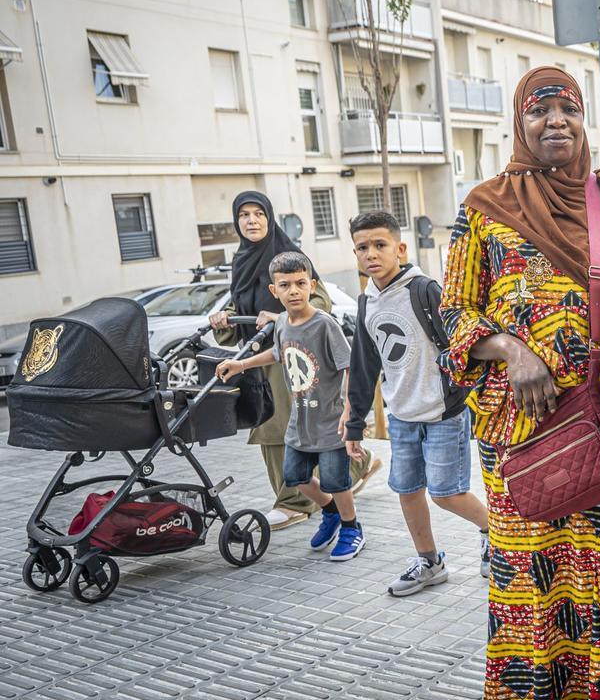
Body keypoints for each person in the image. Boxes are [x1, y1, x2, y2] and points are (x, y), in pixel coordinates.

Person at [438, 67, 600, 699]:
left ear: (583, 123)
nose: (555, 121)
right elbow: (451, 312)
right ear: (518, 124)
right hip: (529, 435)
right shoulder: (485, 208)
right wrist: (512, 349)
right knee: (533, 585)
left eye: (568, 110)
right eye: (539, 111)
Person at [340, 210, 491, 596]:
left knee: (446, 493)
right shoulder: (366, 301)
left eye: (380, 244)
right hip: (402, 416)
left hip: (443, 412)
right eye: (362, 247)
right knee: (407, 491)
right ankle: (429, 561)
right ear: (355, 254)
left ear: (400, 248)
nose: (371, 253)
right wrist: (354, 422)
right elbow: (363, 365)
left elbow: (459, 346)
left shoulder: (424, 290)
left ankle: (495, 533)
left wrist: (465, 391)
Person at [209, 191, 378, 531]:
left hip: (295, 359)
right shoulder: (242, 261)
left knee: (283, 427)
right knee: (273, 424)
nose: (252, 221)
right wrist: (224, 317)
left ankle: (293, 502)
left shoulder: (287, 256)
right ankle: (360, 467)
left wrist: (280, 315)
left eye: (259, 213)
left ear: (270, 219)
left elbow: (319, 300)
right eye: (244, 215)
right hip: (259, 359)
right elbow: (239, 304)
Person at [217, 252, 366, 561]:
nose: (294, 291)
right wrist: (240, 364)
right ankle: (331, 513)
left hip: (330, 422)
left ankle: (352, 527)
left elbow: (349, 366)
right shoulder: (283, 322)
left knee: (336, 481)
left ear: (312, 285)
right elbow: (277, 352)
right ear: (275, 291)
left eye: (300, 283)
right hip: (300, 421)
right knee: (295, 476)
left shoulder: (324, 324)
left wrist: (351, 413)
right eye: (285, 285)